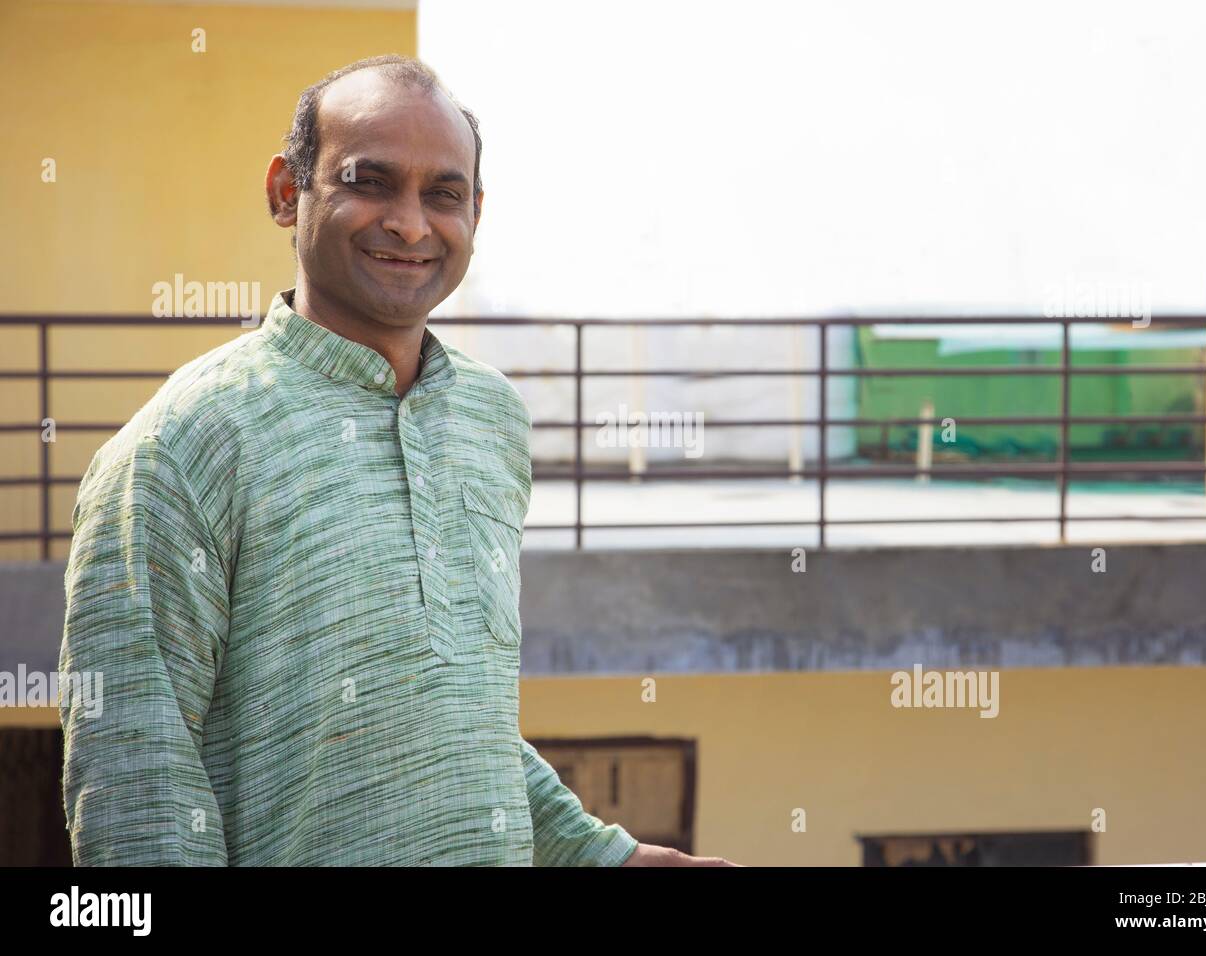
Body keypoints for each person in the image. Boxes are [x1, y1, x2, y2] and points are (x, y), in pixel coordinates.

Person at [59, 53, 735, 866]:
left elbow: (453, 716)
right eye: (368, 181)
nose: (411, 225)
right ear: (287, 192)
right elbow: (137, 794)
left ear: (476, 214)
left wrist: (600, 855)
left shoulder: (491, 420)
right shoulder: (182, 447)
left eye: (443, 194)